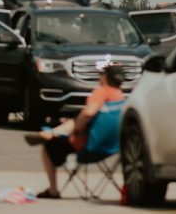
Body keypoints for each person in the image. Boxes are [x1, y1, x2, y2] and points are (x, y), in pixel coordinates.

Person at [27, 62, 125, 200]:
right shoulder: (122, 99)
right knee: (72, 122)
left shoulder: (102, 91)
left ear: (106, 77)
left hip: (89, 146)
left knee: (49, 144)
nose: (99, 77)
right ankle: (53, 132)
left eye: (101, 74)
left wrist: (78, 127)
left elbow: (89, 113)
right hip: (112, 148)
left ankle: (53, 190)